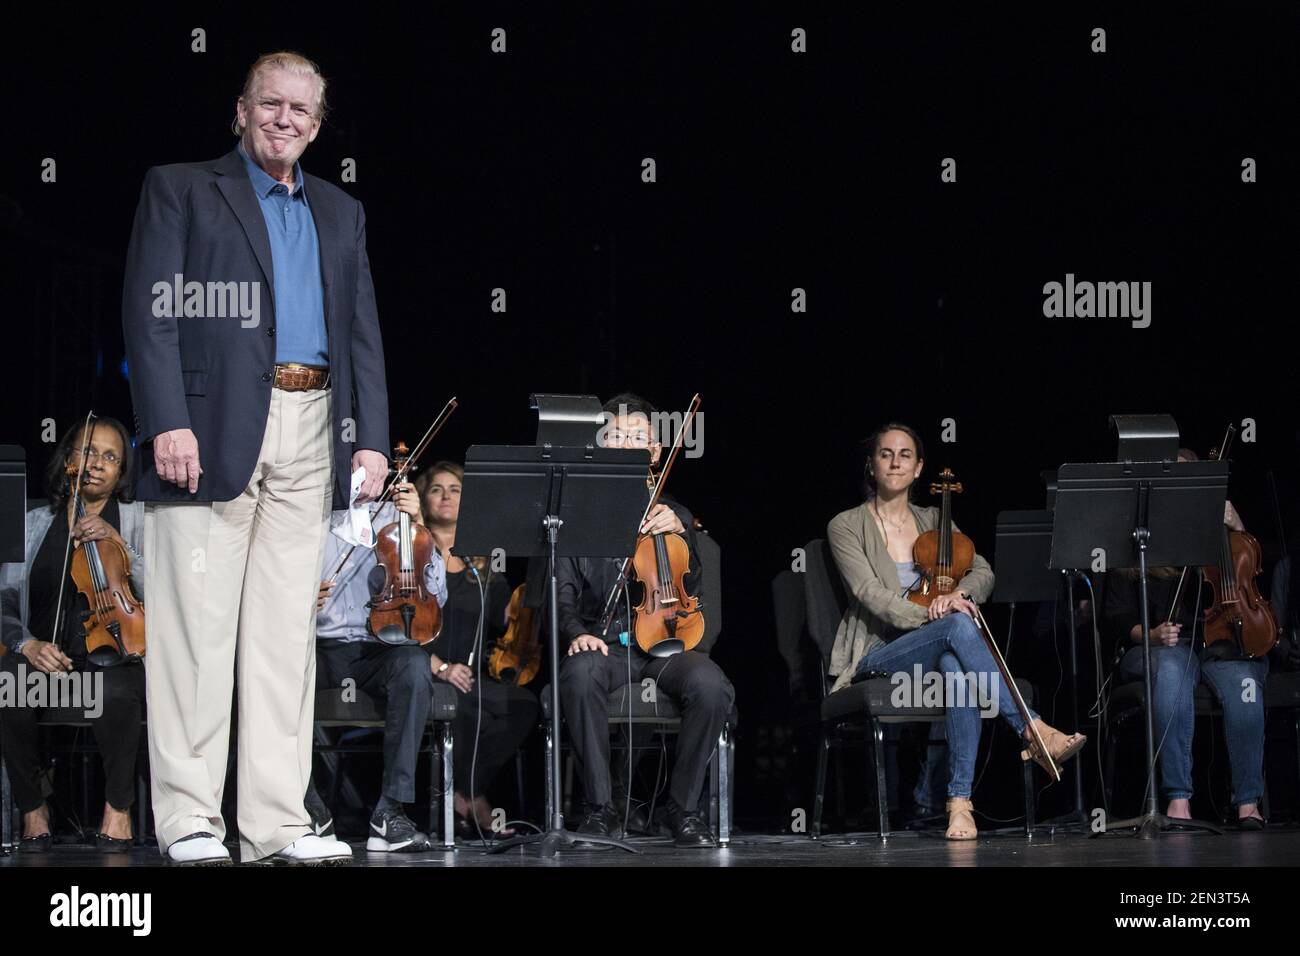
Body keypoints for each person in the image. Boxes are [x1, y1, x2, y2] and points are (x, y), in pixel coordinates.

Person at [122, 51, 389, 865]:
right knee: (196, 636)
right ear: (241, 111)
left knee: (283, 639)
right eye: (270, 104)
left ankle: (276, 822)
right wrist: (166, 421)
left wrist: (371, 437)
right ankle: (190, 821)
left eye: (301, 111)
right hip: (208, 428)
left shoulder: (341, 209)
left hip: (314, 424)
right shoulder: (181, 187)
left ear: (317, 125)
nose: (284, 120)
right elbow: (150, 313)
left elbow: (361, 331)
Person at [826, 422, 1084, 840]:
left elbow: (983, 571)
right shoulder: (846, 525)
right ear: (871, 465)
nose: (895, 462)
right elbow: (868, 592)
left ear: (918, 467)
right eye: (885, 454)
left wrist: (958, 593)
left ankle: (959, 804)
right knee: (957, 627)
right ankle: (1033, 729)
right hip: (878, 652)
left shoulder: (934, 519)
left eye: (905, 455)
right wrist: (934, 616)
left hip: (937, 644)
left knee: (957, 669)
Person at [557, 394, 734, 848]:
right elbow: (562, 593)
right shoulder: (575, 516)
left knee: (711, 685)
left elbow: (693, 588)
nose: (627, 443)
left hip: (664, 644)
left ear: (655, 452)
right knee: (579, 674)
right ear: (599, 446)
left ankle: (683, 809)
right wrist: (578, 634)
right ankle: (599, 807)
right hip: (605, 646)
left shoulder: (673, 516)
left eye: (638, 437)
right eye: (616, 435)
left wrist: (683, 531)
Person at [0, 417, 146, 853]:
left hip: (115, 654)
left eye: (110, 457)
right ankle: (34, 810)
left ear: (121, 471)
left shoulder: (138, 519)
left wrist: (119, 543)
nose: (96, 463)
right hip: (47, 657)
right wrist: (27, 645)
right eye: (87, 452)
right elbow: (4, 599)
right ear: (68, 458)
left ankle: (117, 810)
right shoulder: (34, 522)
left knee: (115, 693)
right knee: (8, 684)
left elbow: (169, 589)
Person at [1103, 449, 1268, 829]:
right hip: (1160, 646)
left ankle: (1248, 802)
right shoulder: (1138, 540)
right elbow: (1115, 616)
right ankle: (1178, 799)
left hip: (1219, 643)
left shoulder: (1212, 534)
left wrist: (1236, 525)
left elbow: (1246, 566)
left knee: (1245, 684)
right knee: (1171, 673)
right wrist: (1151, 633)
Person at [308, 478, 447, 851]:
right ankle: (307, 805)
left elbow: (436, 596)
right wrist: (299, 596)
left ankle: (389, 811)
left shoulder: (394, 518)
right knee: (276, 674)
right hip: (319, 646)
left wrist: (418, 525)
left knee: (414, 665)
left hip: (377, 647)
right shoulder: (308, 514)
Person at [416, 461, 540, 840]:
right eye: (436, 489)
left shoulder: (483, 564)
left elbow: (506, 620)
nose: (446, 496)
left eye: (455, 489)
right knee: (462, 706)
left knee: (523, 705)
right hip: (425, 671)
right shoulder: (409, 554)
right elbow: (399, 627)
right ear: (423, 499)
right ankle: (473, 803)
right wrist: (440, 667)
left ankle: (464, 791)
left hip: (470, 677)